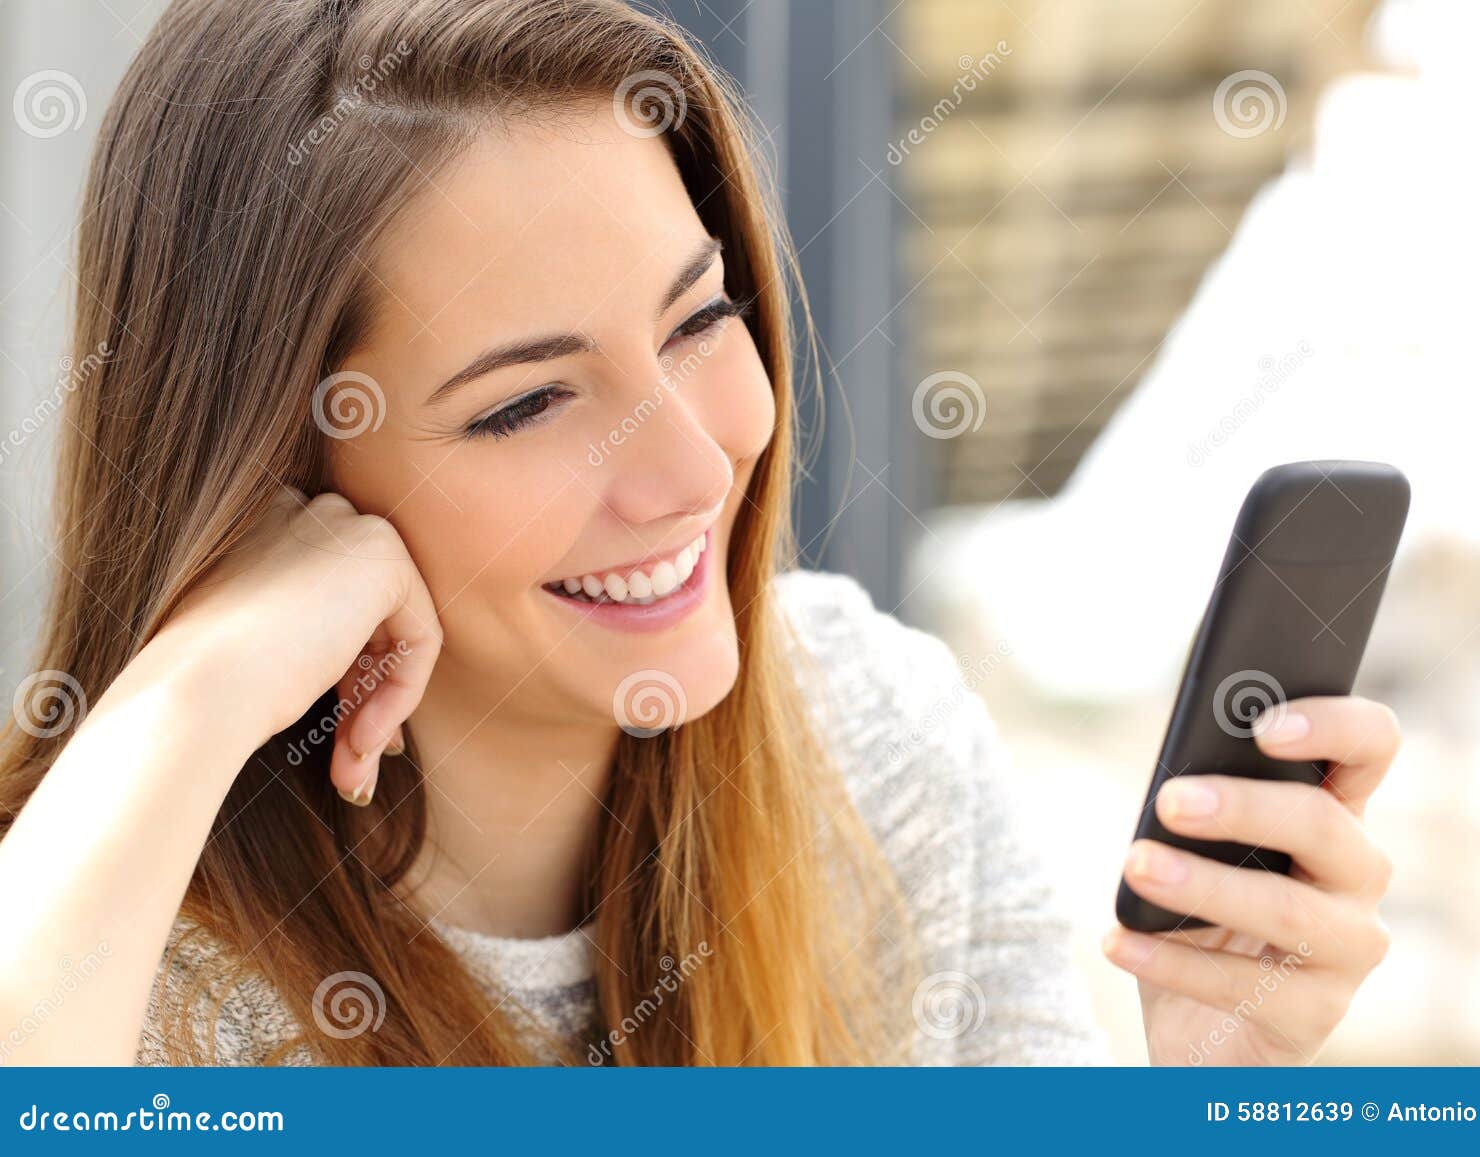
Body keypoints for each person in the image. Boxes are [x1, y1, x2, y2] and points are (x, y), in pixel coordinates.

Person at [0, 0, 1396, 1066]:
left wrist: (1219, 1088)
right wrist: (187, 695)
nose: (688, 461)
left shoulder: (874, 736)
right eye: (530, 401)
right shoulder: (117, 937)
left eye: (699, 318)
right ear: (272, 478)